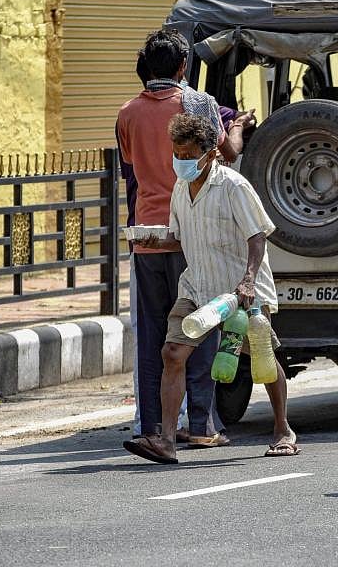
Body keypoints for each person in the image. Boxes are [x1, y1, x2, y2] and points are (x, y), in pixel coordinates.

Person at [124, 114, 298, 462]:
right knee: (173, 353)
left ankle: (283, 430)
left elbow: (257, 235)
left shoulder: (233, 186)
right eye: (177, 153)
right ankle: (167, 441)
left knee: (261, 359)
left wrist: (248, 280)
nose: (181, 161)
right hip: (196, 287)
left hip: (237, 292)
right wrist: (152, 240)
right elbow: (178, 236)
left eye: (188, 155)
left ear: (211, 153)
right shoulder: (179, 188)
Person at [116, 29, 254, 448]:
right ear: (182, 67)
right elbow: (224, 155)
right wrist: (239, 130)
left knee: (154, 335)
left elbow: (131, 172)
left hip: (146, 237)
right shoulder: (199, 104)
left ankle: (153, 427)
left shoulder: (126, 113)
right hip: (193, 236)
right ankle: (201, 424)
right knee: (202, 329)